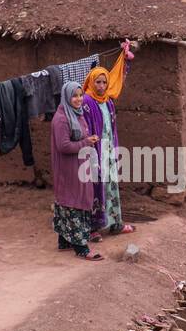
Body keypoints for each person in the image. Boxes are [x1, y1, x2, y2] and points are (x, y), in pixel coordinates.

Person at [81, 47, 135, 238]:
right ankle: (92, 228)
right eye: (98, 82)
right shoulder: (86, 101)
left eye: (104, 82)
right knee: (95, 187)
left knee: (111, 185)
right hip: (94, 152)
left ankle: (115, 223)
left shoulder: (108, 101)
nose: (102, 86)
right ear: (91, 82)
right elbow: (83, 128)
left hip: (109, 150)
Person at [50, 82, 103, 261]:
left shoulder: (76, 114)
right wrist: (86, 142)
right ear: (66, 97)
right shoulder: (61, 119)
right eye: (74, 96)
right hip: (69, 168)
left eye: (80, 95)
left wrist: (87, 141)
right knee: (73, 202)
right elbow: (63, 146)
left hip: (79, 166)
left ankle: (65, 240)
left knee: (74, 200)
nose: (79, 99)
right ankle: (81, 247)